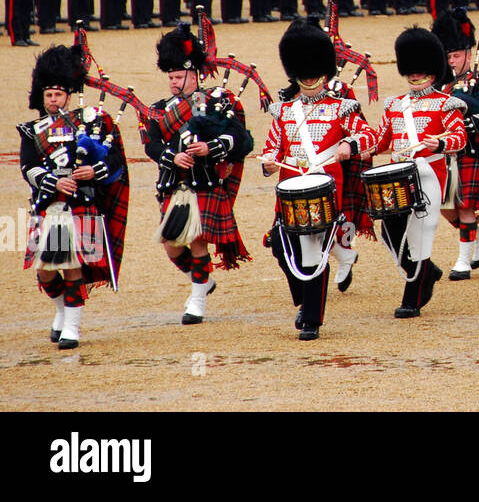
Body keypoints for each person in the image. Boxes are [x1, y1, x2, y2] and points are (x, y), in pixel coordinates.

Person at [261, 20, 377, 341]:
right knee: (281, 250)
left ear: (324, 73)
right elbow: (272, 147)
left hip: (323, 190)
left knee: (312, 253)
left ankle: (311, 318)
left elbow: (369, 135)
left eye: (315, 72)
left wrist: (348, 144)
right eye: (304, 72)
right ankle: (304, 300)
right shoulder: (284, 111)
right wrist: (270, 163)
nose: (310, 78)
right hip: (289, 193)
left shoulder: (342, 108)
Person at [20, 45, 129, 349]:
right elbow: (27, 167)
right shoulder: (32, 130)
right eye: (48, 95)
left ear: (69, 94)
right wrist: (53, 181)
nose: (53, 100)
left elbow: (115, 160)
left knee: (71, 265)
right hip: (48, 204)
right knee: (44, 271)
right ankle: (61, 310)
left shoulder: (92, 122)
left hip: (81, 204)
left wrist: (94, 171)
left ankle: (72, 326)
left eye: (57, 94)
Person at [145, 25, 254, 325]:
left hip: (205, 181)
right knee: (171, 243)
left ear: (194, 75)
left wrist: (212, 147)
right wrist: (172, 156)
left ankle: (196, 300)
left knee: (196, 239)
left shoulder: (218, 102)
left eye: (178, 77)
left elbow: (243, 140)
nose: (173, 82)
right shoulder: (159, 110)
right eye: (170, 77)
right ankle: (203, 281)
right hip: (174, 184)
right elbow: (151, 145)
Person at [367, 27, 466, 318]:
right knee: (389, 230)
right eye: (410, 70)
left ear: (432, 73)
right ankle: (426, 271)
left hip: (429, 174)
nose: (414, 76)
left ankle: (413, 294)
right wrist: (357, 145)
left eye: (420, 71)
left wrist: (442, 142)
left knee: (420, 233)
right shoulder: (395, 105)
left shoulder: (446, 104)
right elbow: (381, 139)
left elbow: (459, 137)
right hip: (398, 174)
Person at [434, 8, 479, 279]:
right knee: (442, 205)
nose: (452, 62)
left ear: (468, 52)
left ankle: (463, 261)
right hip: (449, 154)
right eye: (448, 56)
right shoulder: (442, 87)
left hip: (476, 153)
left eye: (457, 55)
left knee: (463, 207)